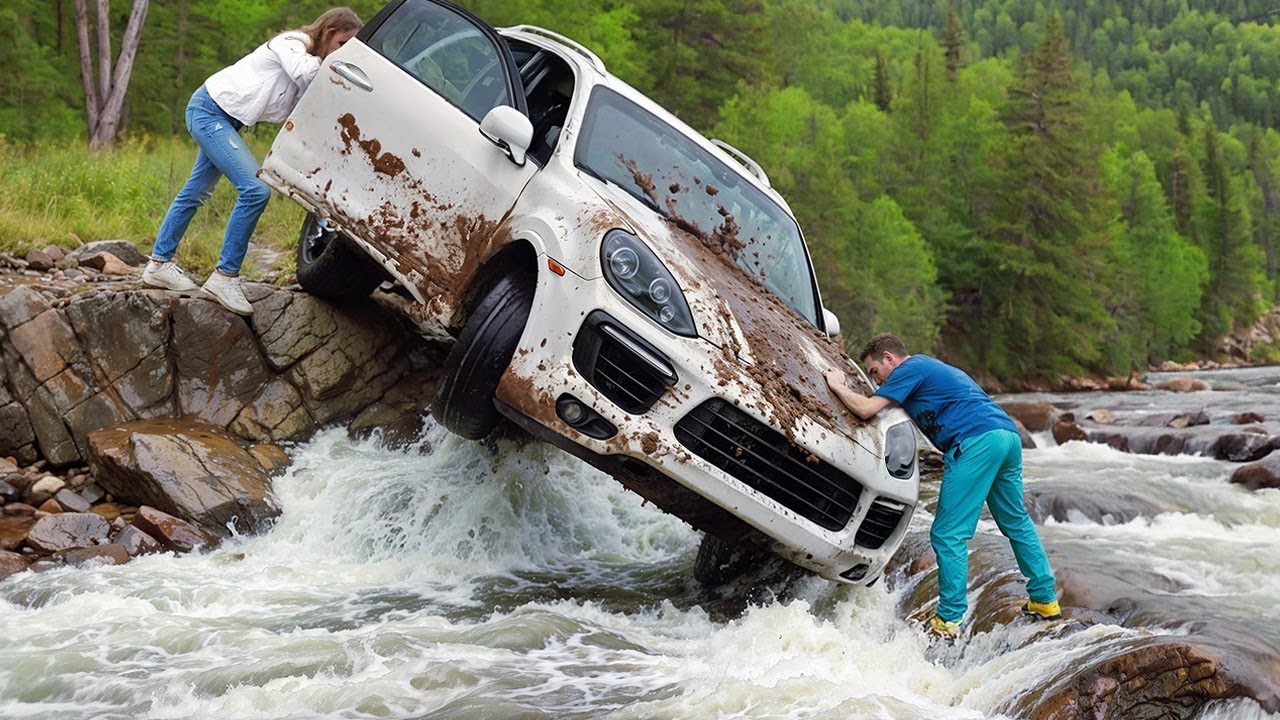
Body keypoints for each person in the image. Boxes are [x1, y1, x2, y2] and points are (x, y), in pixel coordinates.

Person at [823, 333, 1059, 640]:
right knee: (1016, 522)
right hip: (1005, 436)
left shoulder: (910, 369)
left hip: (976, 442)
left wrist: (837, 385)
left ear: (889, 359)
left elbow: (867, 409)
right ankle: (1044, 598)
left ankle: (948, 620)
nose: (877, 380)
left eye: (875, 371)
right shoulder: (924, 371)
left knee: (948, 534)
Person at [142, 8, 363, 315]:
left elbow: (304, 114)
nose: (341, 53)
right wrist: (344, 68)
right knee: (255, 190)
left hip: (225, 120)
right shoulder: (291, 42)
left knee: (195, 192)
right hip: (209, 111)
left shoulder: (312, 63)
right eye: (342, 44)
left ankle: (158, 264)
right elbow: (305, 72)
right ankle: (224, 277)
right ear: (328, 32)